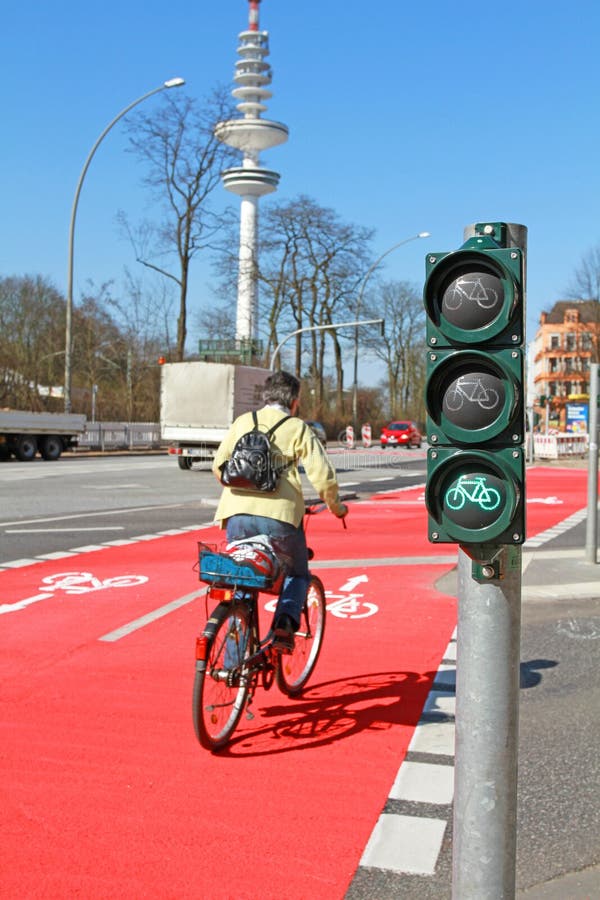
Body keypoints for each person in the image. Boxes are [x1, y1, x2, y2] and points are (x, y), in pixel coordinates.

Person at [212, 370, 347, 652]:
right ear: (294, 401)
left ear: (266, 396)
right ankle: (284, 627)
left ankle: (233, 666)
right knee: (297, 573)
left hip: (236, 515)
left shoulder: (243, 422)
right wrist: (337, 508)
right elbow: (323, 476)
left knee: (241, 582)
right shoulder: (297, 427)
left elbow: (219, 466)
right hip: (281, 518)